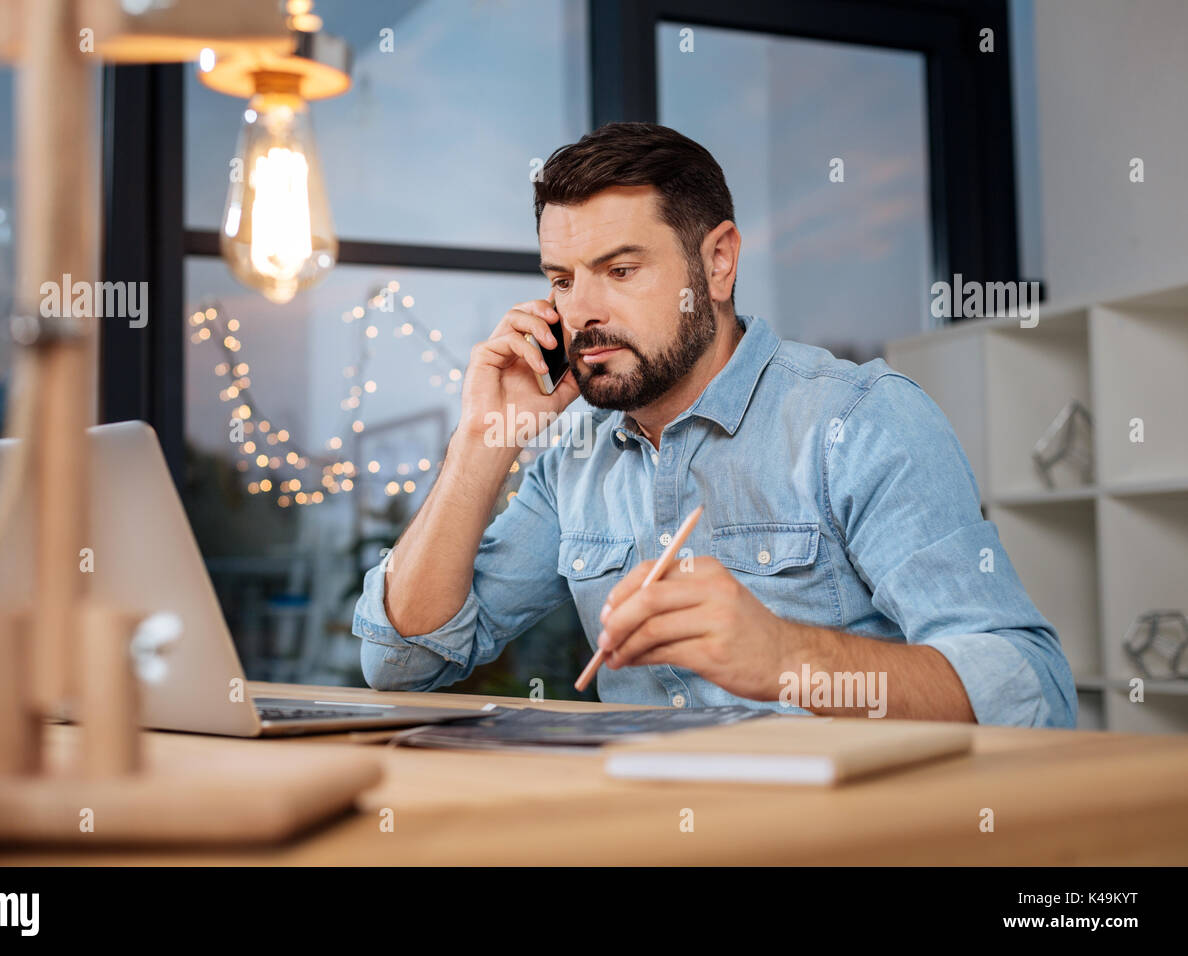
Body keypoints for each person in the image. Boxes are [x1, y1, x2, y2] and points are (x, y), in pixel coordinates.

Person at [353, 122, 1076, 727]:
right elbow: (402, 660)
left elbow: (1031, 691)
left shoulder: (857, 421)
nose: (582, 312)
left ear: (718, 264)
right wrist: (486, 442)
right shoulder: (574, 465)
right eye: (563, 280)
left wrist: (786, 659)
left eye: (622, 269)